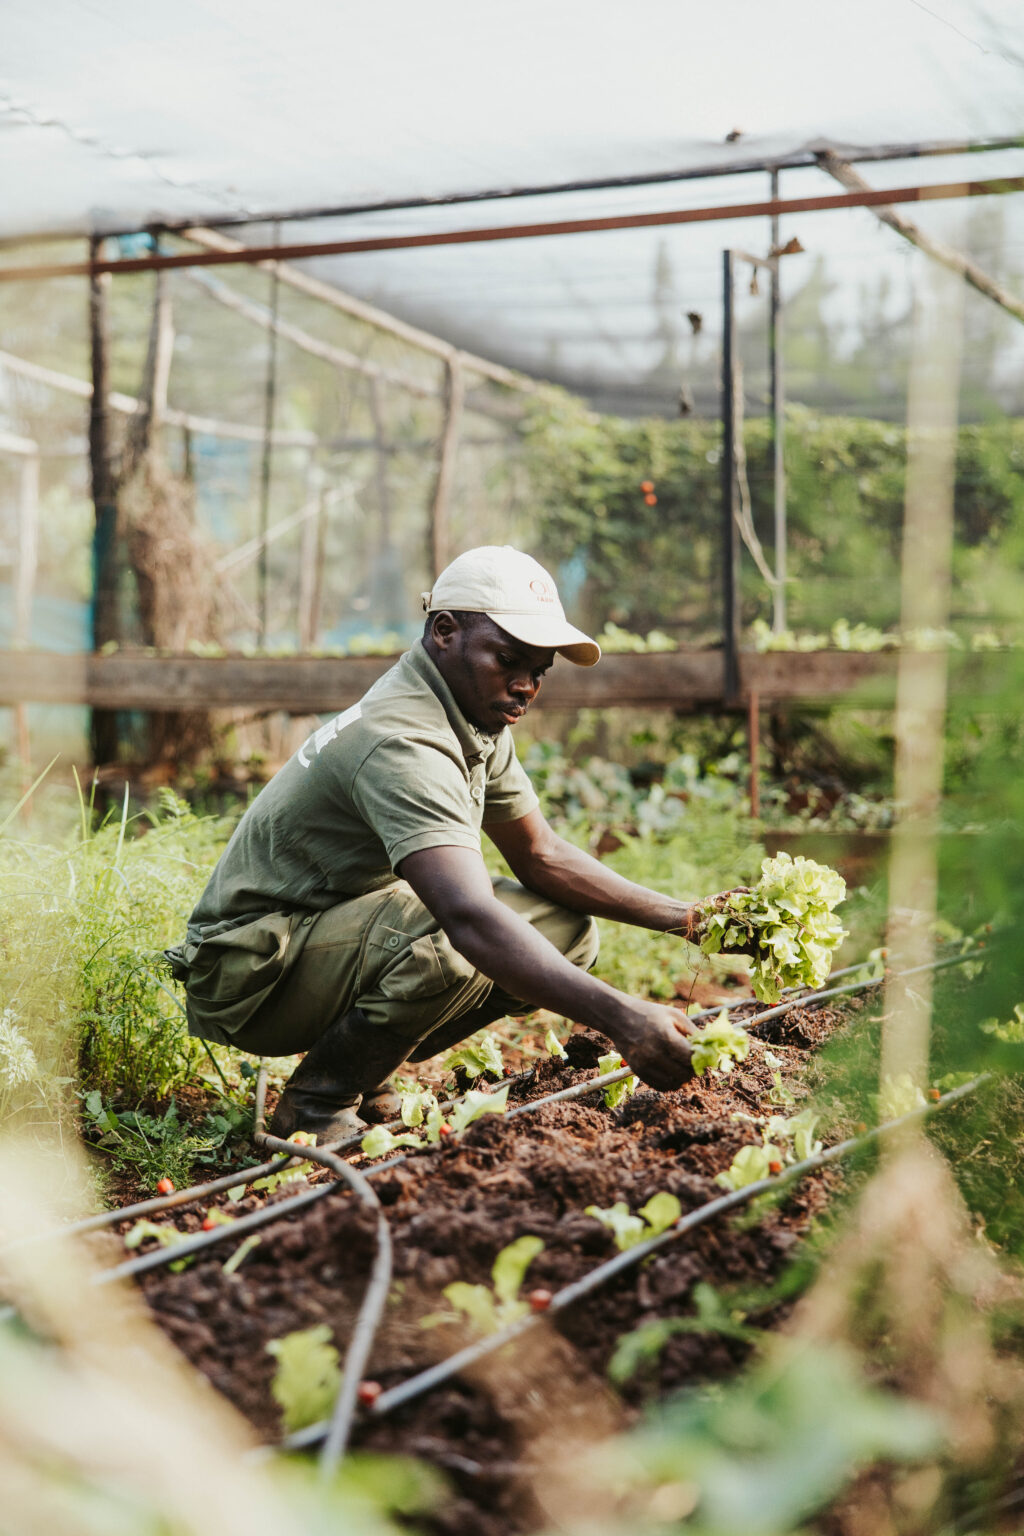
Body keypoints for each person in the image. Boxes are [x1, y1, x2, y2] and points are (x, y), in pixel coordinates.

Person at [165, 546, 732, 1143]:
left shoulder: (471, 715)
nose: (526, 686)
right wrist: (624, 1018)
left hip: (318, 934)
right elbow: (468, 917)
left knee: (565, 930)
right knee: (452, 944)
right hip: (250, 971)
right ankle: (316, 1104)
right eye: (508, 660)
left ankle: (365, 1069)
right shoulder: (403, 740)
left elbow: (541, 854)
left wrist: (691, 919)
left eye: (539, 671)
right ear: (444, 631)